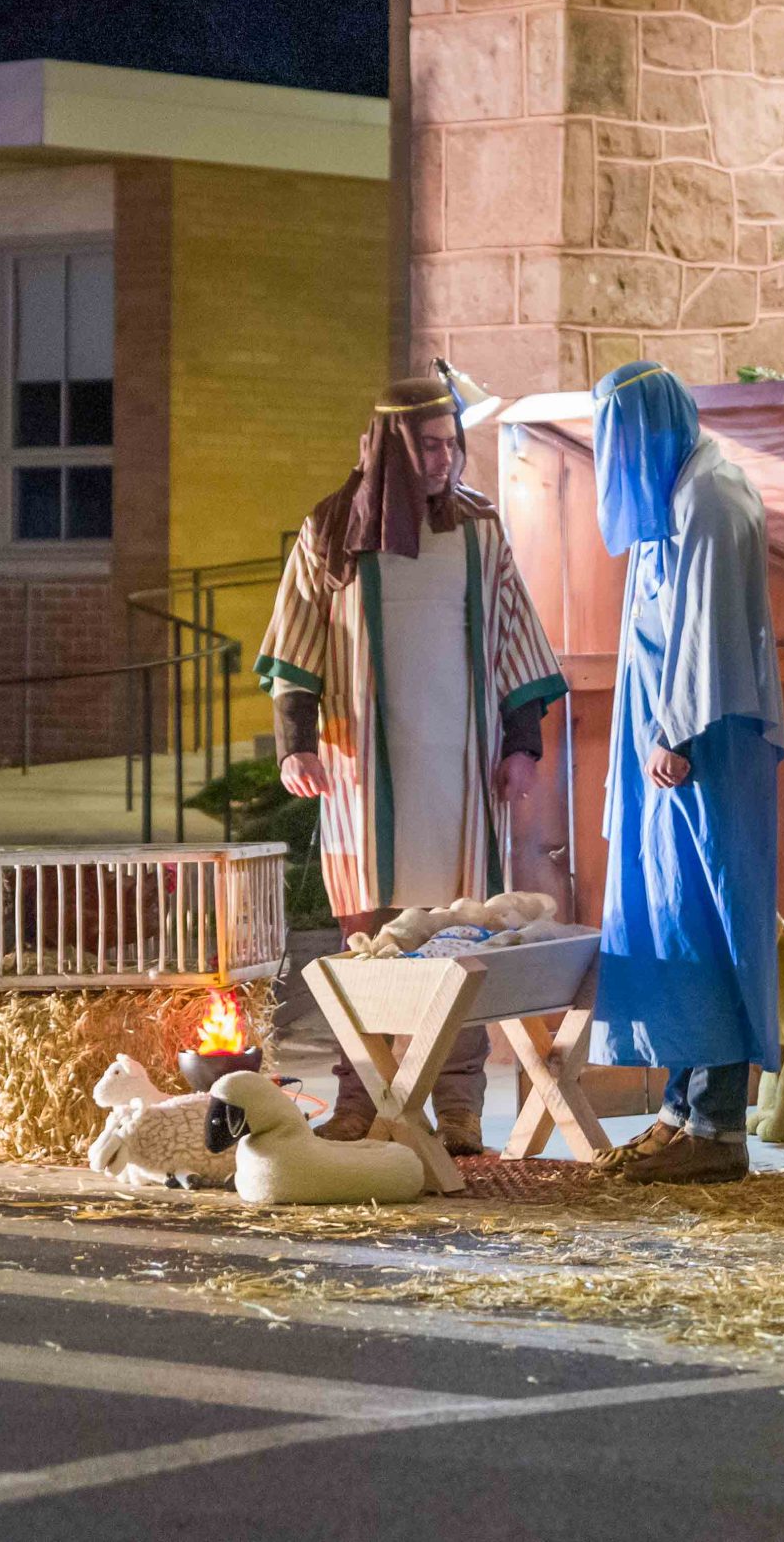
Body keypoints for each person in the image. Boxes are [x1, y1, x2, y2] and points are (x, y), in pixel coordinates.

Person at [257, 377, 565, 1155]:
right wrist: (296, 743)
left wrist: (521, 745)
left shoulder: (479, 530)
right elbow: (296, 647)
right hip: (367, 777)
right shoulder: (330, 534)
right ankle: (361, 1097)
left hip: (462, 777)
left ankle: (459, 1105)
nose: (446, 458)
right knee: (370, 944)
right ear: (394, 447)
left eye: (451, 442)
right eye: (430, 444)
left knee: (461, 942)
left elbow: (514, 635)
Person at [583, 361, 784, 1187]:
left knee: (707, 922)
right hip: (671, 755)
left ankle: (716, 1124)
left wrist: (673, 730)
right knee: (670, 920)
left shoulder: (710, 498)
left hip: (702, 749)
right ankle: (677, 1110)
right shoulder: (679, 493)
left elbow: (708, 632)